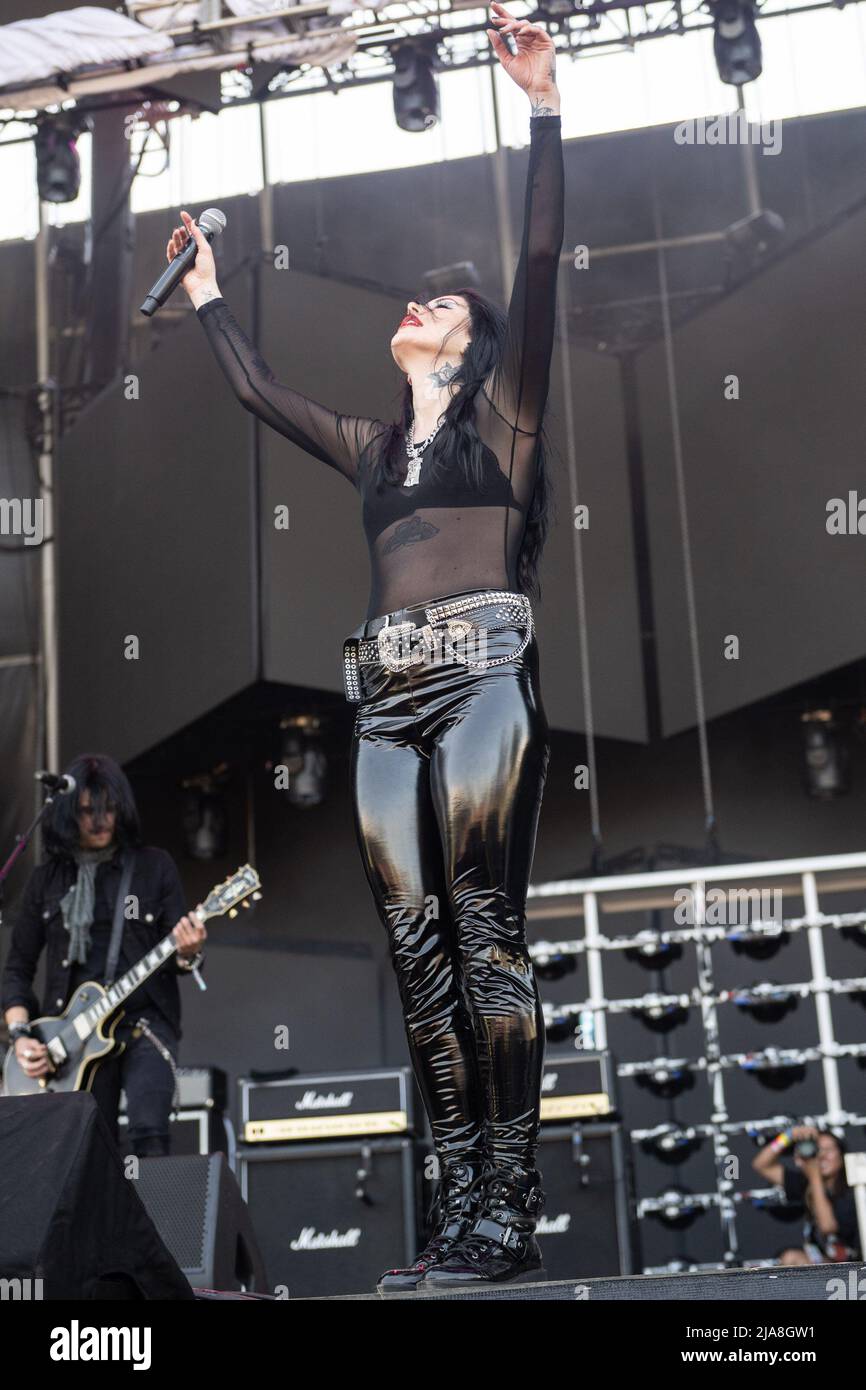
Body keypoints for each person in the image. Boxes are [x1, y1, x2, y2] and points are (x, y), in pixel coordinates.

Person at [167, 1, 563, 1289]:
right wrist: (215, 299)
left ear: (469, 337)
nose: (420, 302)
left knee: (485, 930)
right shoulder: (374, 448)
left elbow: (543, 263)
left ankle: (511, 1207)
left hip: (484, 679)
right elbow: (253, 392)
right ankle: (460, 1218)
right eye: (419, 295)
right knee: (417, 952)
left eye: (442, 300)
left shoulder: (501, 422)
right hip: (384, 704)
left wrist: (545, 109)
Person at [2, 753, 207, 1157]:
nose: (99, 821)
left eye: (108, 809)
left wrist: (189, 951)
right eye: (86, 811)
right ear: (66, 812)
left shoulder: (153, 867)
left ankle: (158, 1220)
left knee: (150, 1131)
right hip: (69, 1040)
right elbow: (17, 969)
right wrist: (22, 1035)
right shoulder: (47, 880)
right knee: (88, 1151)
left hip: (143, 1024)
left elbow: (184, 955)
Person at [752, 1125, 861, 1264]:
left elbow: (828, 1227)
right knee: (790, 1258)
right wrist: (788, 1136)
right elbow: (761, 1164)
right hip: (827, 1262)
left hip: (857, 1264)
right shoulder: (805, 1182)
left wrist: (814, 1175)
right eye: (816, 1149)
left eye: (829, 1150)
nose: (822, 1156)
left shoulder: (853, 1189)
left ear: (841, 1155)